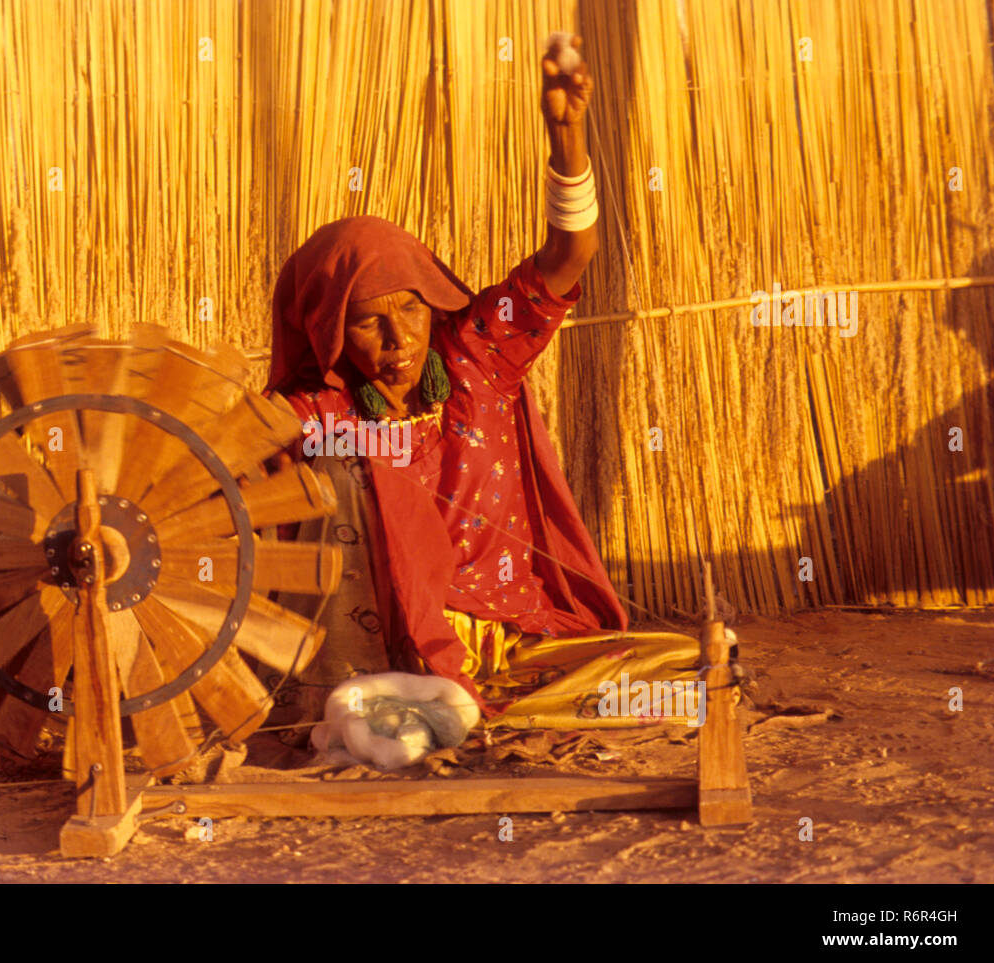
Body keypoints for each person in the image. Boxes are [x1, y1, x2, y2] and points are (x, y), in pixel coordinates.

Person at [267, 41, 700, 728]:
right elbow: (231, 464)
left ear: (433, 303)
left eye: (410, 308)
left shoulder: (477, 360)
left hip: (515, 629)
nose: (398, 338)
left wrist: (567, 137)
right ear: (327, 334)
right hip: (387, 649)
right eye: (367, 322)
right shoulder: (318, 410)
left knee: (673, 666)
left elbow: (570, 253)